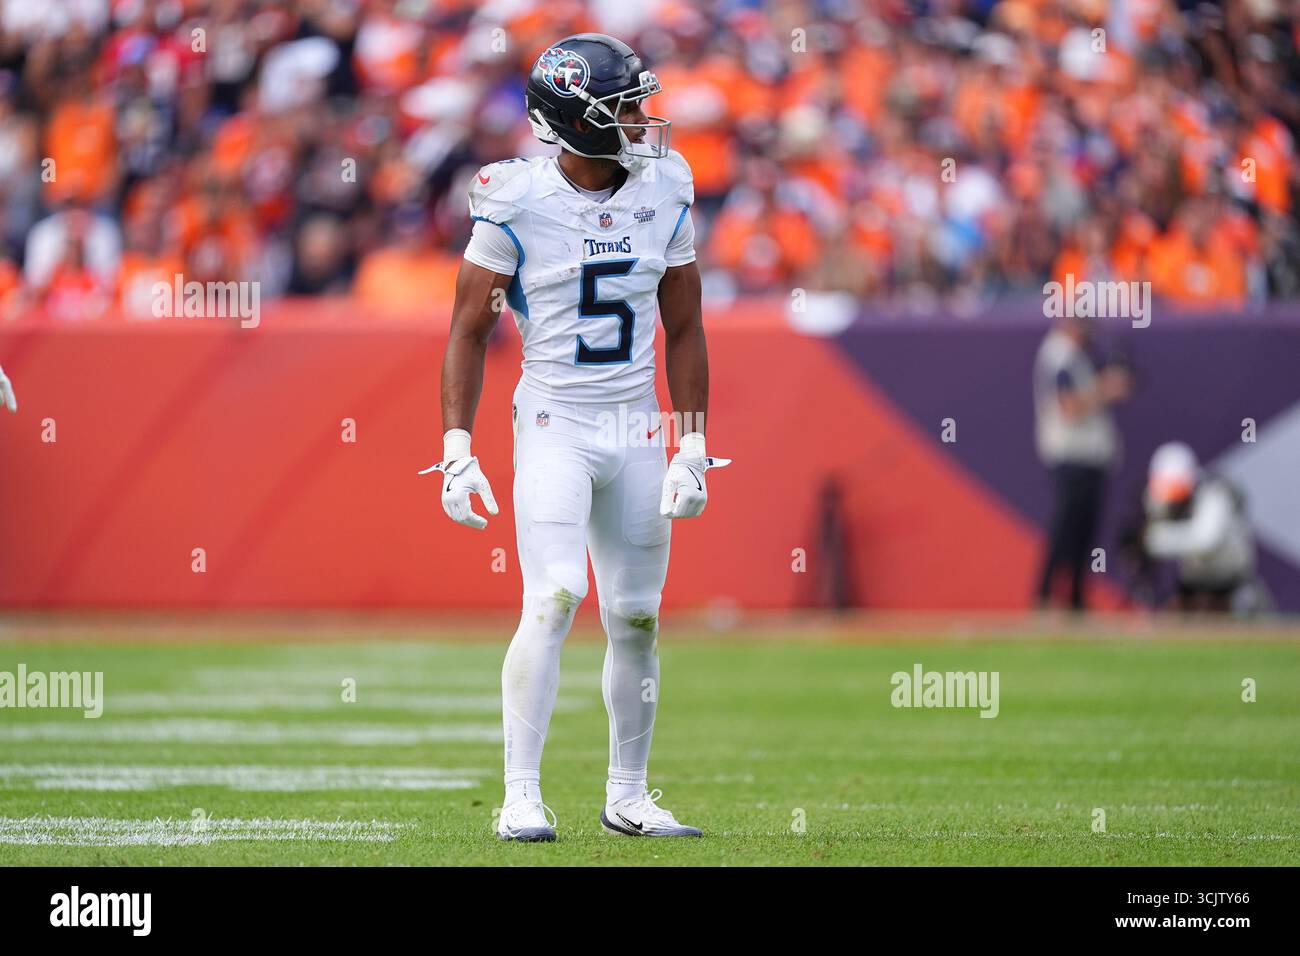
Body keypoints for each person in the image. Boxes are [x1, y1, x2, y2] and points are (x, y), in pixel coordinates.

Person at [424, 35, 728, 842]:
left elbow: (686, 325)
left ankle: (628, 794)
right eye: (624, 104)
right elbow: (466, 331)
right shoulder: (514, 197)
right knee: (554, 596)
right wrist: (457, 452)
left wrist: (692, 446)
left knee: (636, 615)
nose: (640, 118)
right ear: (575, 117)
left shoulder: (664, 184)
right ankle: (519, 795)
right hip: (555, 420)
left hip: (634, 422)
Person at [1032, 315, 1132, 610]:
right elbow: (1070, 407)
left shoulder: (1074, 356)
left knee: (1082, 530)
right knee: (1067, 528)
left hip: (1086, 455)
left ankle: (1073, 597)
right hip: (1072, 454)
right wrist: (1105, 389)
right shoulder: (1060, 355)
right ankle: (1045, 595)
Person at [1143, 442, 1260, 613]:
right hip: (1192, 585)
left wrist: (1153, 539)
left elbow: (1205, 540)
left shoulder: (1215, 494)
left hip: (1231, 584)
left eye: (1176, 491)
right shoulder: (1156, 496)